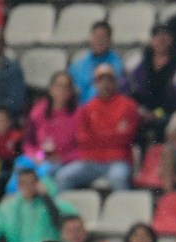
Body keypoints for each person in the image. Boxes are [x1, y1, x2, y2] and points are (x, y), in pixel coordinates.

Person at [55, 64, 140, 192]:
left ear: (115, 82)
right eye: (101, 80)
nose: (105, 84)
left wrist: (97, 136)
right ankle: (68, 212)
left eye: (109, 80)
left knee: (118, 178)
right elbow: (82, 139)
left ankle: (123, 211)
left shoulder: (128, 105)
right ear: (95, 84)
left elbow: (125, 138)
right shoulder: (87, 108)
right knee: (63, 176)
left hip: (118, 160)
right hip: (91, 161)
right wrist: (112, 133)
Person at [0, 165, 75, 242]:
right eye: (24, 183)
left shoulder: (51, 204)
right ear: (19, 185)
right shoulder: (8, 207)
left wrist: (46, 197)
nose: (28, 186)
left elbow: (61, 224)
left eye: (31, 182)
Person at [25, 71, 79, 170]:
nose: (62, 90)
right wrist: (36, 156)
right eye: (58, 86)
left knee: (44, 170)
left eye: (66, 87)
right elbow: (29, 141)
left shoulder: (78, 114)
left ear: (71, 92)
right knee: (21, 166)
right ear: (51, 89)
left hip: (63, 160)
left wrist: (63, 158)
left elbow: (81, 148)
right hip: (40, 156)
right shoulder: (39, 110)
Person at [68, 21, 123, 103]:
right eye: (95, 36)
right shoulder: (78, 65)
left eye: (103, 37)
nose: (99, 40)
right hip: (80, 110)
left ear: (109, 40)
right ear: (90, 38)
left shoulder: (117, 65)